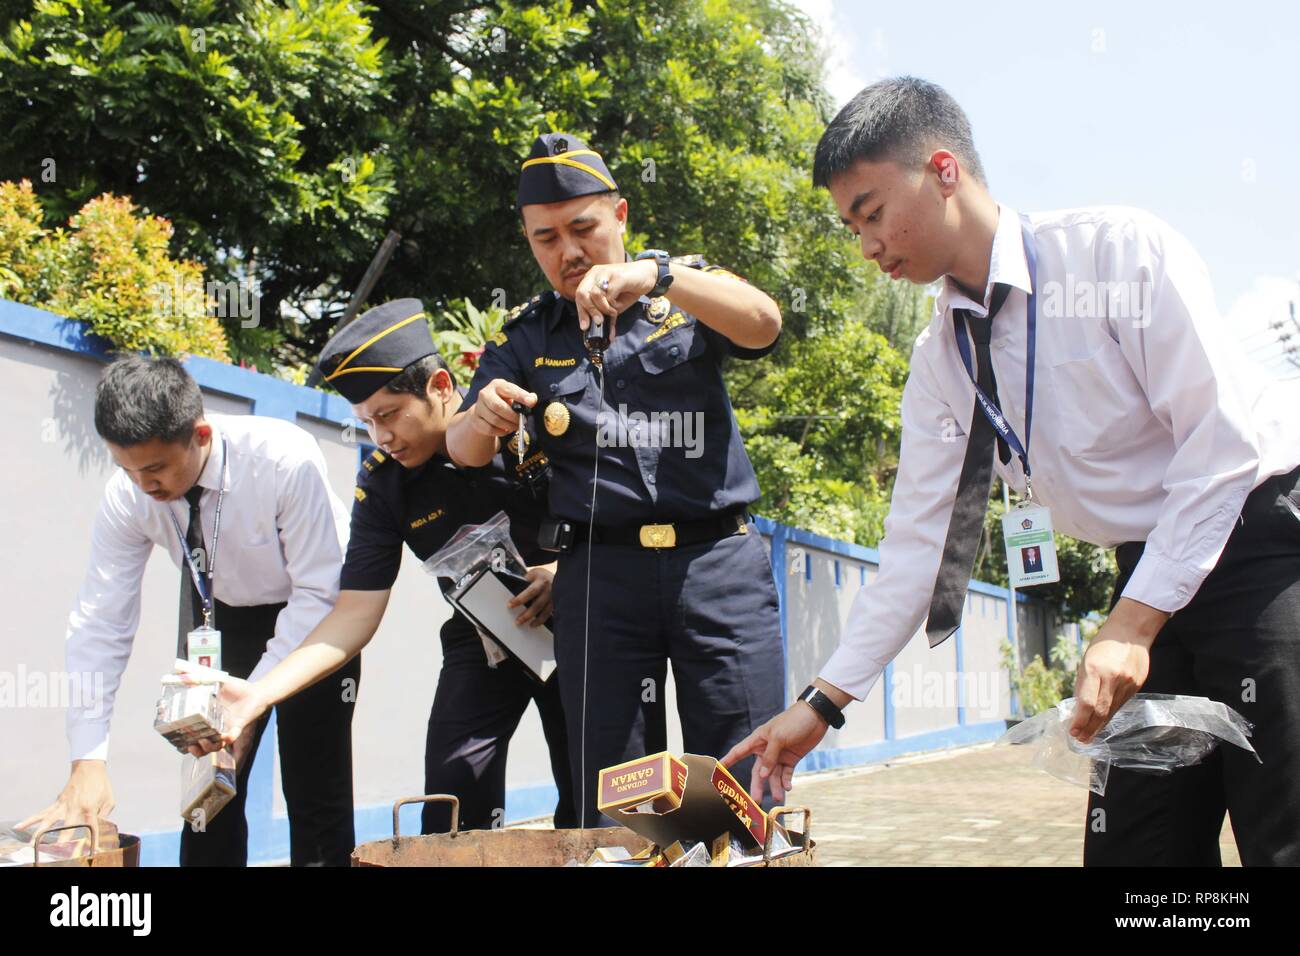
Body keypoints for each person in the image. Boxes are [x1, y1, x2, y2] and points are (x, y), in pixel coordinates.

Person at [723, 76, 1300, 866]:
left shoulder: (1116, 254)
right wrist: (821, 704)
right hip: (1149, 568)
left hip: (1262, 549)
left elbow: (1221, 442)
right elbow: (914, 552)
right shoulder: (942, 361)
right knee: (1137, 851)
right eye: (851, 226)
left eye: (872, 212)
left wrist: (1132, 623)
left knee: (1283, 835)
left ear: (943, 170)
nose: (867, 246)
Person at [445, 133, 786, 826]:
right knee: (622, 800)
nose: (567, 251)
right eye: (546, 239)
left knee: (744, 783)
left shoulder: (686, 289)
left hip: (717, 563)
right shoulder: (528, 336)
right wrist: (480, 418)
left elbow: (764, 325)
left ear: (620, 217)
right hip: (602, 580)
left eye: (583, 228)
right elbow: (462, 449)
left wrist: (659, 276)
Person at [199, 299, 576, 834]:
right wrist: (258, 696)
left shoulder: (515, 423)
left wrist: (563, 574)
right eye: (367, 422)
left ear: (441, 386)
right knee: (451, 793)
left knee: (590, 788)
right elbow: (354, 613)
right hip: (487, 636)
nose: (381, 437)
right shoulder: (382, 488)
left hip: (581, 622)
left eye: (389, 414)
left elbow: (612, 514)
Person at [20, 355, 357, 866]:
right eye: (126, 468)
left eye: (155, 468)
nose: (142, 485)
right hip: (215, 616)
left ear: (200, 434)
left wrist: (253, 700)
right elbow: (100, 620)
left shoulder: (283, 458)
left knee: (315, 788)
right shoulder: (127, 495)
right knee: (208, 796)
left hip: (311, 617)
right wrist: (87, 758)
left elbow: (319, 592)